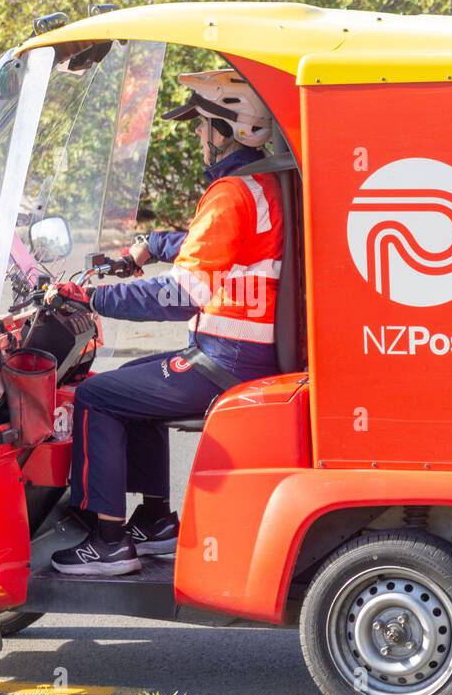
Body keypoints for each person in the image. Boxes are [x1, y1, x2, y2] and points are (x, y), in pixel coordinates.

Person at [49, 69, 285, 576]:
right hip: (250, 351)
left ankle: (108, 540)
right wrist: (153, 246)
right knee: (138, 386)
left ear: (227, 130)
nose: (199, 137)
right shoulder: (267, 179)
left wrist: (93, 298)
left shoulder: (230, 192)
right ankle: (155, 521)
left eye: (202, 126)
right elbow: (227, 245)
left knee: (97, 397)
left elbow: (182, 295)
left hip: (229, 359)